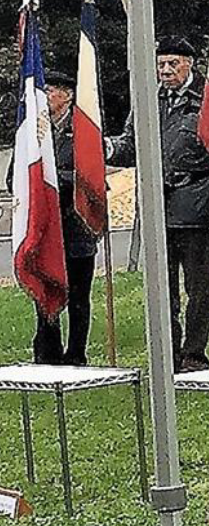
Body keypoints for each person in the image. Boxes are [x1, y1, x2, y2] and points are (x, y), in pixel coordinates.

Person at [107, 35, 209, 372]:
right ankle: (168, 352)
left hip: (198, 204)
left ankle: (194, 353)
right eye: (161, 64)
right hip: (158, 206)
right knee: (163, 288)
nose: (165, 70)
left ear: (189, 64)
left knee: (199, 288)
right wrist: (106, 150)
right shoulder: (149, 98)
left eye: (172, 63)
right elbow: (131, 145)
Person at [29, 72, 98, 365]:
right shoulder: (34, 131)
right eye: (43, 90)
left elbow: (89, 174)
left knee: (79, 296)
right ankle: (48, 350)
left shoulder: (83, 128)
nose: (46, 96)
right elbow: (18, 173)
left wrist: (54, 180)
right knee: (46, 291)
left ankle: (77, 353)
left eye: (52, 90)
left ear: (68, 95)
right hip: (46, 230)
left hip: (76, 225)